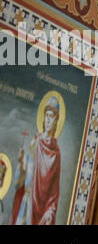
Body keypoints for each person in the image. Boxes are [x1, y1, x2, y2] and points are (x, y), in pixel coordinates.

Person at [12, 94, 61, 225]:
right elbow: (18, 184)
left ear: (57, 121)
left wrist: (51, 212)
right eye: (47, 116)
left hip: (41, 217)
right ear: (43, 118)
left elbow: (54, 193)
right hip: (26, 208)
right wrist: (21, 163)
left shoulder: (56, 154)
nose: (49, 120)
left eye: (52, 117)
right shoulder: (34, 143)